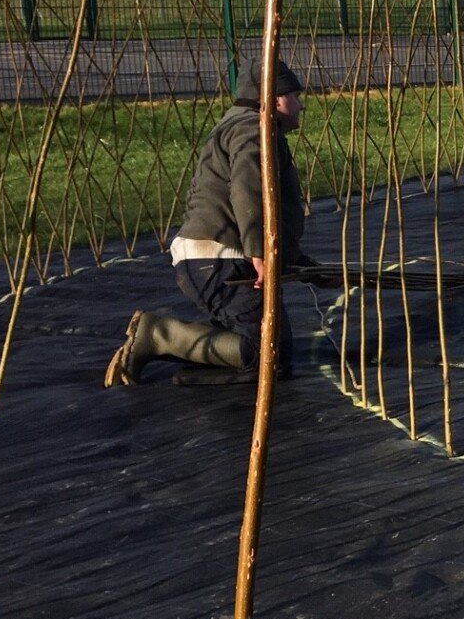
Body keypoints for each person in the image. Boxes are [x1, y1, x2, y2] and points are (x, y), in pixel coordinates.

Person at [103, 57, 313, 386]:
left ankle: (191, 356)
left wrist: (305, 266)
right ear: (274, 99)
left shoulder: (247, 126)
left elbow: (273, 214)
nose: (301, 105)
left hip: (214, 259)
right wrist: (259, 253)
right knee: (268, 354)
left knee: (271, 354)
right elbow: (248, 190)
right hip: (218, 260)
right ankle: (158, 335)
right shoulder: (252, 130)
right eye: (295, 96)